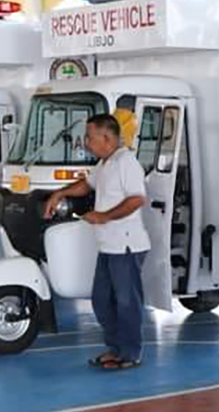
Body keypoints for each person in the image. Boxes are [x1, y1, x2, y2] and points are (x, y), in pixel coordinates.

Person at [44, 114, 149, 370]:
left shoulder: (127, 162)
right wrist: (60, 193)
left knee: (126, 302)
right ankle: (115, 348)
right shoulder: (105, 164)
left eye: (89, 137)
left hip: (126, 245)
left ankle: (130, 353)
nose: (86, 143)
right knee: (101, 300)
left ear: (106, 137)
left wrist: (104, 216)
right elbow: (86, 185)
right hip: (108, 246)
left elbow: (137, 199)